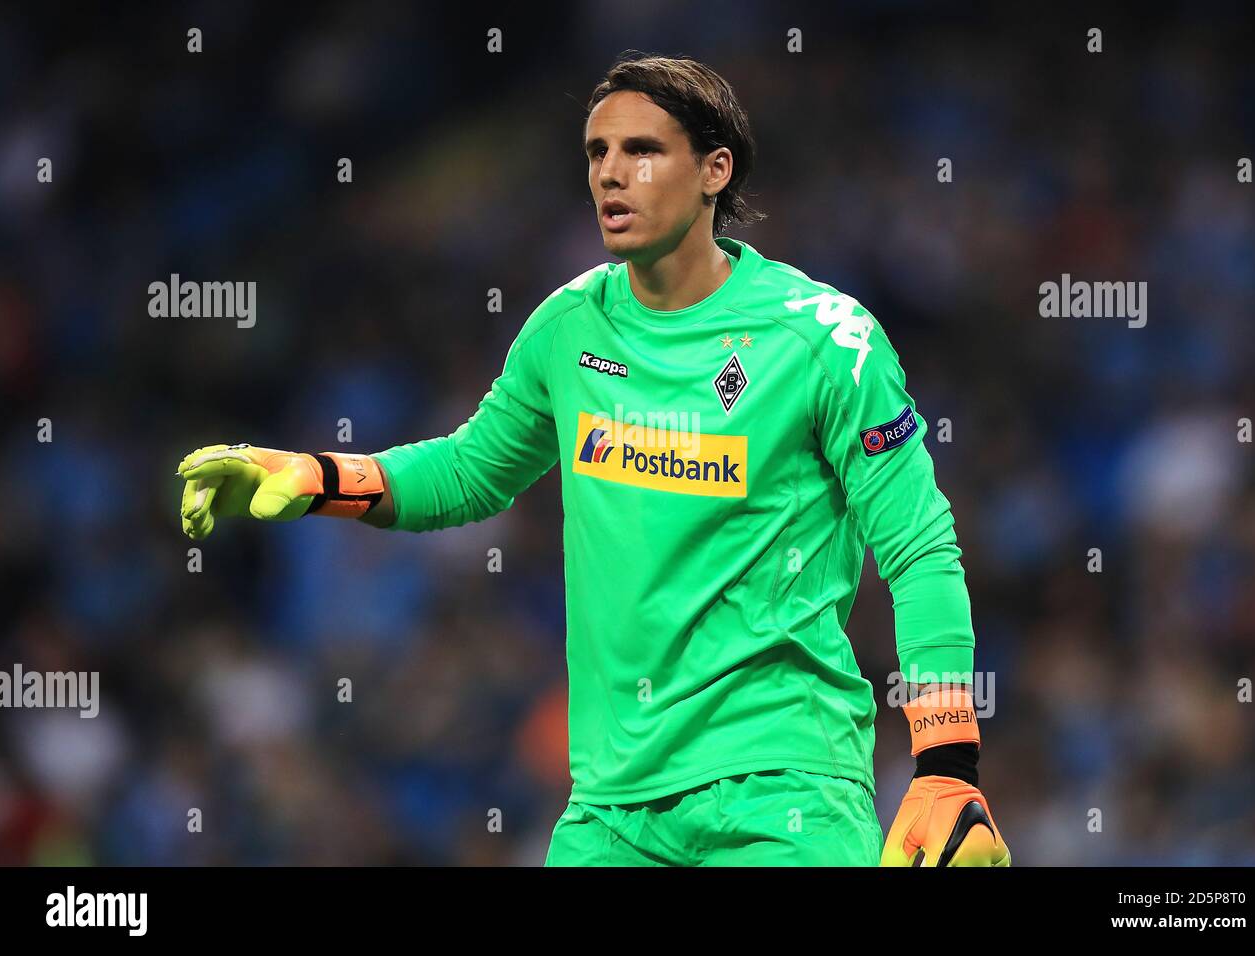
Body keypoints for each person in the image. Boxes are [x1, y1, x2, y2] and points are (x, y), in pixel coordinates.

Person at [175, 52, 1009, 867]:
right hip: (610, 810)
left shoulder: (825, 340)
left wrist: (945, 766)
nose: (611, 173)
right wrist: (315, 477)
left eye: (642, 150)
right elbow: (471, 472)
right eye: (597, 153)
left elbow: (918, 547)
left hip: (782, 795)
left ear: (715, 170)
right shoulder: (569, 326)